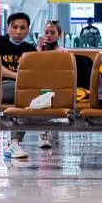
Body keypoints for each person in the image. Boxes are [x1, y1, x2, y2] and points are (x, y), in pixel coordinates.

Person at [0, 12, 37, 159]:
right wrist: (17, 76)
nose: (18, 31)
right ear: (8, 28)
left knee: (25, 98)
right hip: (1, 86)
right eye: (14, 27)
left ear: (28, 30)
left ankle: (15, 142)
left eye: (22, 28)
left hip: (21, 89)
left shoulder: (30, 49)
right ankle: (38, 133)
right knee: (25, 97)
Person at [36, 20, 64, 149]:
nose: (48, 35)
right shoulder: (38, 50)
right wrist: (39, 50)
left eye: (52, 32)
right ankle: (44, 134)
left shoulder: (62, 52)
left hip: (57, 85)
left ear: (59, 35)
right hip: (41, 84)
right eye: (46, 32)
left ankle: (50, 134)